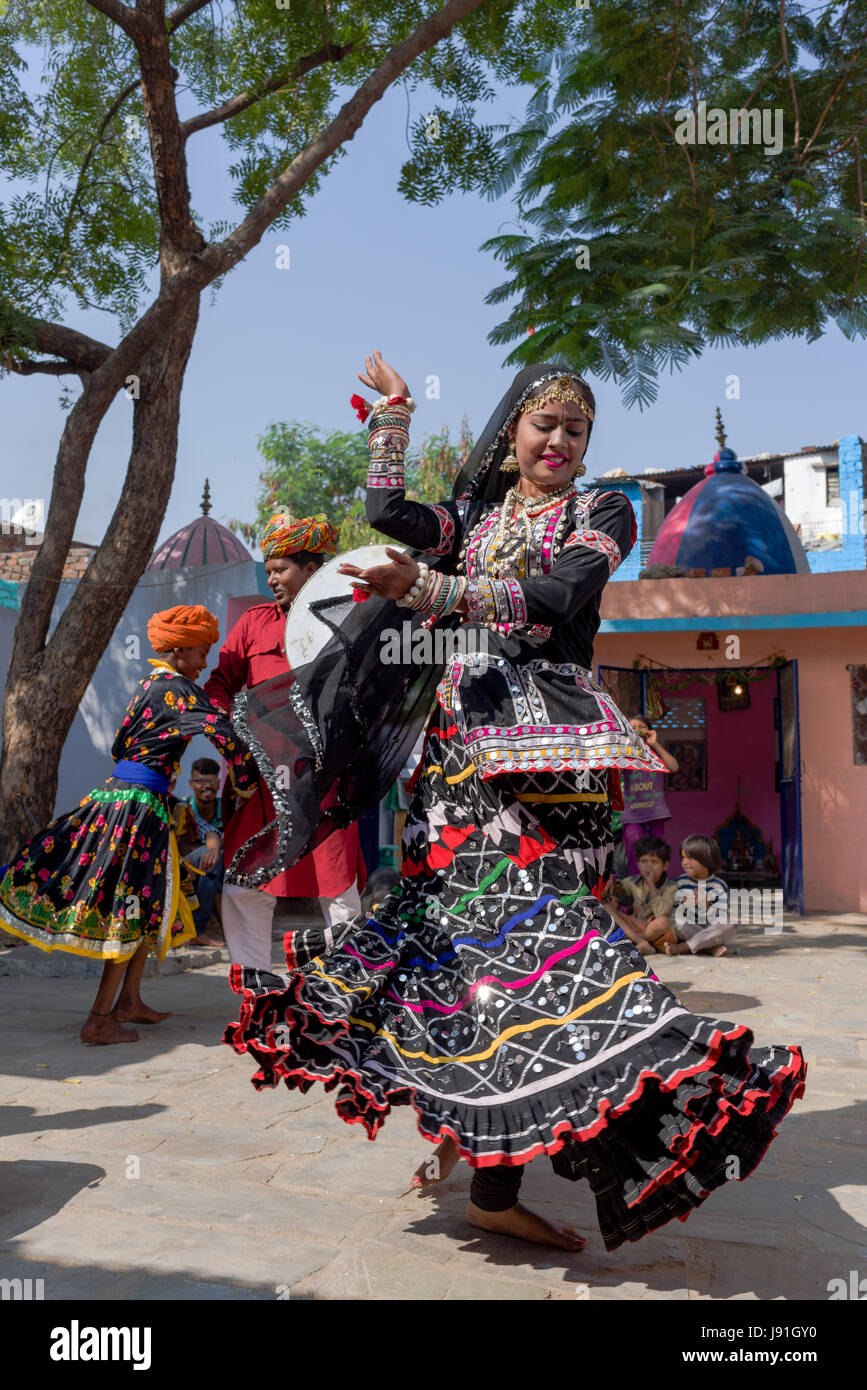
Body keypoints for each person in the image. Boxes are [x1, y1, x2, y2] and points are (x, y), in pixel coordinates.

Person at [222, 352, 806, 1254]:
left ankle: (490, 1158)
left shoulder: (601, 510)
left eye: (576, 429)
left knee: (552, 956)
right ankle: (486, 1158)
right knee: (466, 951)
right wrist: (394, 419)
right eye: (546, 425)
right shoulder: (476, 516)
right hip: (461, 756)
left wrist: (431, 590)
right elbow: (387, 516)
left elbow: (557, 595)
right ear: (512, 432)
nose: (561, 442)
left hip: (559, 754)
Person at [0, 605, 258, 1044]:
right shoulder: (180, 689)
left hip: (120, 797)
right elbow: (225, 735)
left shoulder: (148, 686)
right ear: (178, 649)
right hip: (140, 810)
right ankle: (100, 1019)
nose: (204, 662)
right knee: (129, 907)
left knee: (141, 904)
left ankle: (129, 1002)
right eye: (200, 651)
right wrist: (250, 784)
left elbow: (121, 743)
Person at [204, 513, 367, 974]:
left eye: (281, 569)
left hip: (324, 774)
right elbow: (221, 683)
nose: (271, 578)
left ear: (311, 568)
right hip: (261, 775)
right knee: (244, 884)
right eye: (269, 569)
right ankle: (252, 986)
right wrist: (230, 733)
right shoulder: (253, 624)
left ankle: (344, 989)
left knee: (338, 886)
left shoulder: (348, 620)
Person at [602, 834, 679, 955]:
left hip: (657, 932)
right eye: (644, 861)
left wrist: (650, 884)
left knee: (663, 921)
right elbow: (618, 889)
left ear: (665, 865)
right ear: (638, 864)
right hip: (636, 925)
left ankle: (635, 940)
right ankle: (640, 942)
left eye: (654, 862)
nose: (648, 866)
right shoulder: (634, 881)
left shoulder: (671, 886)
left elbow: (661, 912)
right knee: (607, 906)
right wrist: (610, 879)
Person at [621, 715, 679, 875]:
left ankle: (656, 887)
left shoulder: (655, 753)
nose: (637, 730)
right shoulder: (626, 753)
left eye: (641, 726)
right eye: (632, 728)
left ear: (649, 730)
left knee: (656, 853)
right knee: (634, 853)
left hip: (655, 812)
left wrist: (655, 744)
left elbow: (674, 767)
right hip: (632, 814)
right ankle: (639, 889)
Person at [665, 833, 735, 957]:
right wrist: (684, 906)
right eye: (683, 858)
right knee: (675, 920)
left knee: (728, 923)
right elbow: (673, 910)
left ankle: (684, 947)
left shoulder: (718, 885)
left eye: (690, 858)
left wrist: (708, 906)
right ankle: (709, 947)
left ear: (706, 859)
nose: (685, 862)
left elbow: (720, 915)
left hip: (709, 927)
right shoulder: (680, 882)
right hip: (688, 927)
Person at [183, 758, 225, 946]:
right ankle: (196, 930)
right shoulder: (182, 807)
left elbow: (210, 833)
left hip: (215, 865)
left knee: (214, 862)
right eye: (201, 782)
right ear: (192, 784)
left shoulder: (227, 809)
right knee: (210, 862)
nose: (207, 786)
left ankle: (229, 931)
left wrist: (213, 851)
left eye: (212, 781)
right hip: (182, 863)